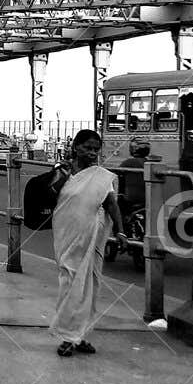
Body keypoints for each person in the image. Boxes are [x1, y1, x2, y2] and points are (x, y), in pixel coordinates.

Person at [48, 129, 126, 357]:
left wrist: (121, 232)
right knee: (69, 281)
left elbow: (111, 204)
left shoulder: (101, 176)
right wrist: (59, 175)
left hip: (92, 235)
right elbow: (49, 195)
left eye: (95, 149)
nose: (92, 153)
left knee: (88, 286)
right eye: (87, 148)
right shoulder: (62, 171)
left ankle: (76, 336)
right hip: (66, 233)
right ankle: (68, 335)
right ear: (75, 148)